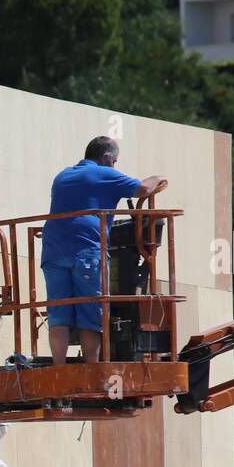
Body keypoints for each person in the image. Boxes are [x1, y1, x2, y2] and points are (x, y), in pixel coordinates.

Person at [42, 137, 168, 365]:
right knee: (91, 312)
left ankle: (57, 368)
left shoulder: (62, 176)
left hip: (53, 252)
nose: (115, 166)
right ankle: (93, 367)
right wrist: (159, 177)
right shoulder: (104, 173)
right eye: (115, 162)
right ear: (106, 158)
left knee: (58, 313)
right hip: (87, 252)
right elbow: (143, 188)